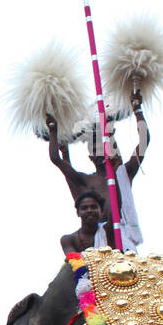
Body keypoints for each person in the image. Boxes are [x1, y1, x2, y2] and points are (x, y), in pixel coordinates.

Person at [48, 90, 148, 252]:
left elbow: (144, 141)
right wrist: (53, 131)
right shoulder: (85, 181)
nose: (104, 152)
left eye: (108, 146)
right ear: (91, 156)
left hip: (124, 241)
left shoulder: (124, 172)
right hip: (96, 244)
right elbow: (56, 159)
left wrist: (138, 110)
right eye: (97, 149)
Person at [60, 190, 104, 255]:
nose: (89, 210)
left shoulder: (109, 232)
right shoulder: (69, 239)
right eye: (84, 208)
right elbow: (74, 260)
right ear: (78, 213)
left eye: (93, 207)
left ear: (101, 211)